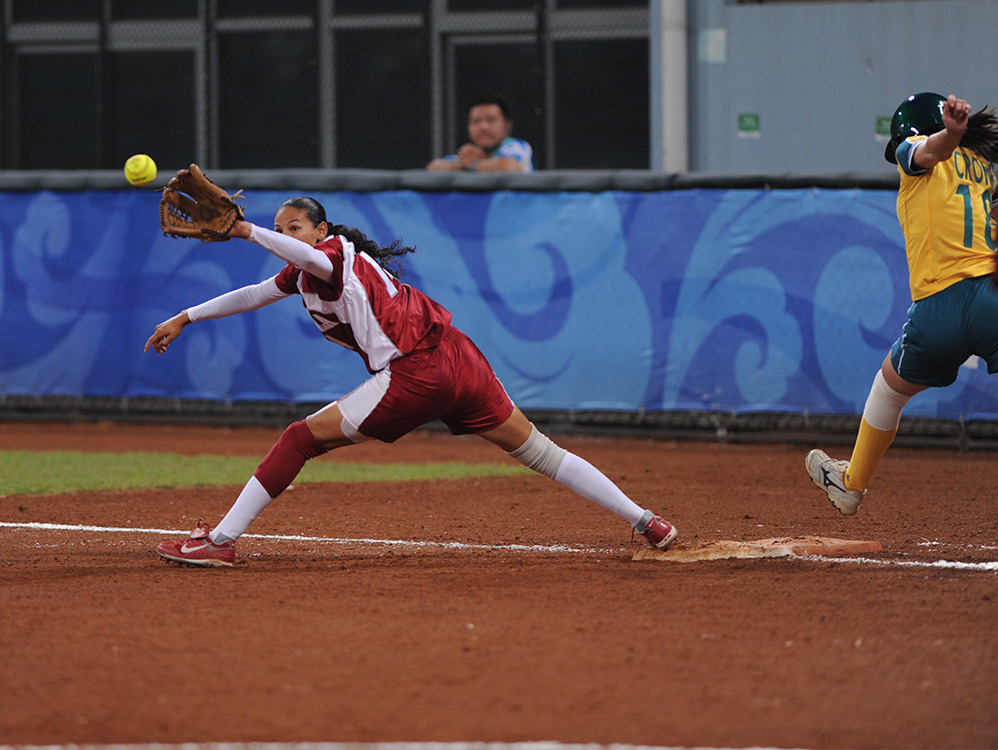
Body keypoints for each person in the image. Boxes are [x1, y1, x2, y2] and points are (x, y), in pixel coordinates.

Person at [146, 195, 676, 565]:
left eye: (294, 227)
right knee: (537, 449)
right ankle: (647, 521)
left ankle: (220, 540)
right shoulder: (305, 270)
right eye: (279, 228)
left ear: (321, 231)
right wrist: (185, 317)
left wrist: (245, 230)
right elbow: (253, 294)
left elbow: (305, 257)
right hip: (457, 356)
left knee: (298, 439)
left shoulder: (329, 256)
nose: (286, 236)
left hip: (417, 372)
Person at [806, 93, 998, 515]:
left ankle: (851, 484)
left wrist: (949, 132)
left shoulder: (919, 151)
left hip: (938, 309)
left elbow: (928, 150)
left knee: (888, 390)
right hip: (990, 296)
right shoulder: (983, 167)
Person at [426, 94, 534, 173]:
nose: (483, 127)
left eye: (491, 120)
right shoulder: (471, 156)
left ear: (507, 126)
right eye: (476, 121)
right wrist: (463, 164)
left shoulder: (517, 146)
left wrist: (473, 163)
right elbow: (433, 168)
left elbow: (508, 167)